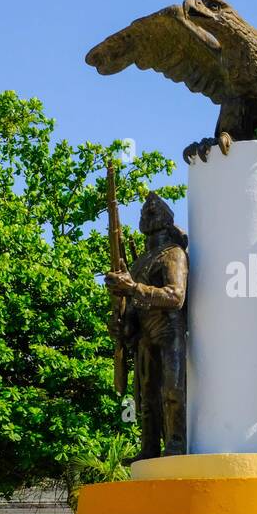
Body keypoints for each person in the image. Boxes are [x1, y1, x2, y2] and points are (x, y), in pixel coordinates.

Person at [104, 192, 188, 458]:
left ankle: (175, 445)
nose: (148, 213)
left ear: (167, 220)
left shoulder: (173, 254)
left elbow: (175, 296)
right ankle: (149, 449)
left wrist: (132, 287)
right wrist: (121, 326)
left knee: (172, 390)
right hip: (145, 334)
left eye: (154, 211)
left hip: (168, 330)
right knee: (146, 397)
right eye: (144, 212)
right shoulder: (139, 262)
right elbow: (132, 311)